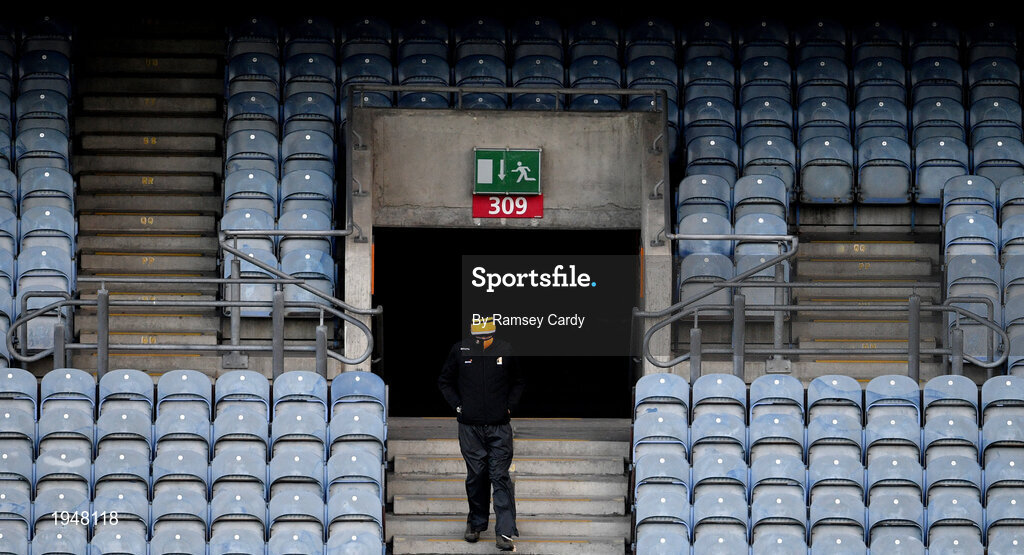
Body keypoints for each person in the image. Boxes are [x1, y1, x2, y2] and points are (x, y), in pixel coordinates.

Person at [438, 315, 525, 551]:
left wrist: (509, 406)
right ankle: (476, 523)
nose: (483, 339)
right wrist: (458, 406)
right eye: (479, 336)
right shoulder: (460, 350)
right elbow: (445, 381)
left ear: (493, 332)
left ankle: (505, 532)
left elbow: (518, 381)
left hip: (499, 426)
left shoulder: (505, 350)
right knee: (476, 476)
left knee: (500, 476)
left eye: (487, 336)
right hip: (470, 427)